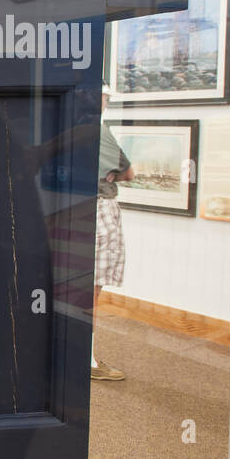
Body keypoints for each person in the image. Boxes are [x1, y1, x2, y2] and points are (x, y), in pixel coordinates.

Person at [93, 84, 134, 381]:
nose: (105, 104)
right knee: (90, 292)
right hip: (99, 211)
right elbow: (130, 173)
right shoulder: (97, 130)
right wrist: (114, 174)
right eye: (105, 99)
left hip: (72, 209)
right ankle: (87, 360)